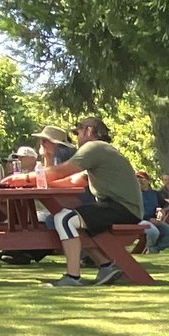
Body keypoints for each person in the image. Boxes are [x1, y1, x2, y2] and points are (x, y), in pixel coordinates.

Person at [29, 117, 145, 288]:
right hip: (122, 208)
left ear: (89, 131)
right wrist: (38, 182)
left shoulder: (94, 147)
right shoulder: (104, 151)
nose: (76, 137)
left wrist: (25, 178)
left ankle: (73, 277)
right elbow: (74, 181)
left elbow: (63, 170)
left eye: (78, 132)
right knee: (74, 221)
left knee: (64, 219)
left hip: (122, 209)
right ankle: (106, 266)